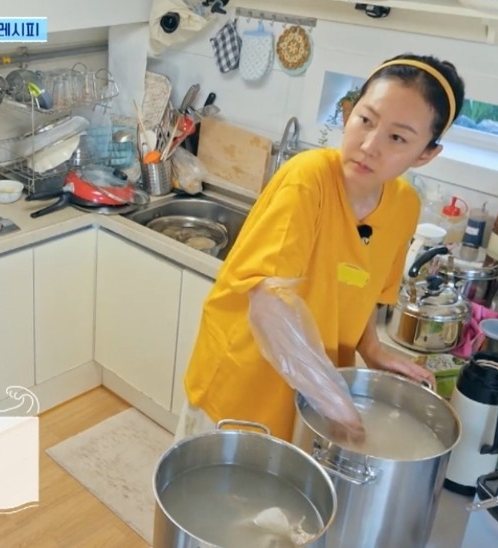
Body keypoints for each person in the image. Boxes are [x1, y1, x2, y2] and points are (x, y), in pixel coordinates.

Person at [177, 53, 466, 442]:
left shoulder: (404, 206)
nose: (369, 145)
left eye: (397, 138)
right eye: (366, 120)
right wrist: (336, 404)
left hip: (316, 396)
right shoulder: (308, 178)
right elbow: (269, 305)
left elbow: (365, 293)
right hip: (243, 383)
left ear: (426, 154)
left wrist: (372, 349)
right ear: (349, 112)